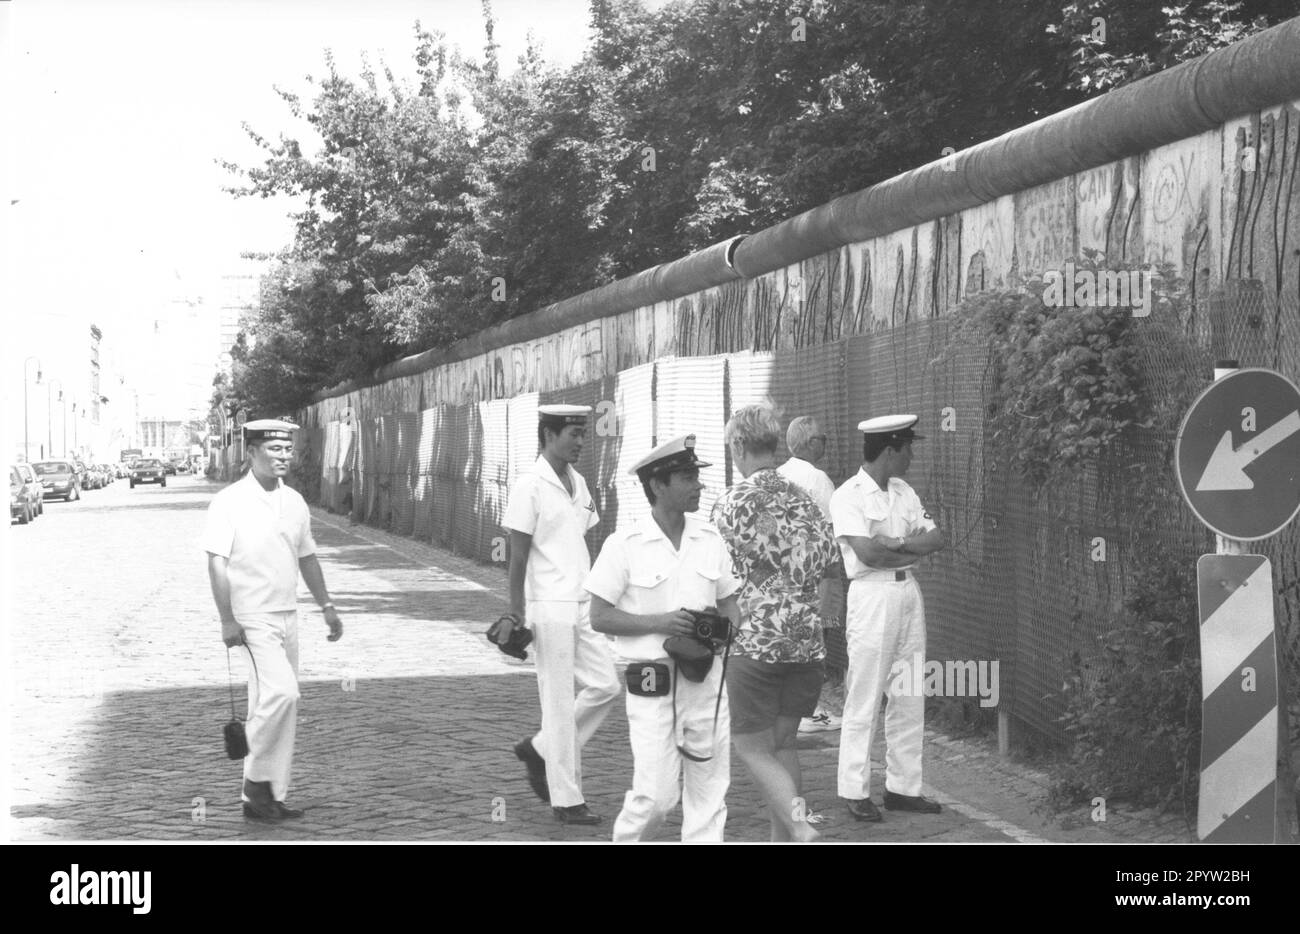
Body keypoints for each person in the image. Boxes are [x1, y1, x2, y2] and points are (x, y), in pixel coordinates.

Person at [585, 435, 742, 842]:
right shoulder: (624, 545)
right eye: (687, 476)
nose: (698, 485)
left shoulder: (709, 538)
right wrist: (662, 623)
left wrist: (724, 632)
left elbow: (731, 603)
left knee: (709, 794)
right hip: (653, 682)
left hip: (706, 680)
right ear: (657, 485)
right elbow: (599, 616)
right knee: (655, 796)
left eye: (696, 476)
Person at [201, 418, 343, 822]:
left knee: (278, 704)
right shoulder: (228, 501)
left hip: (287, 614)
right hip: (250, 619)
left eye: (287, 450)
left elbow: (307, 557)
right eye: (273, 449)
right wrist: (226, 619)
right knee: (283, 694)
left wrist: (327, 605)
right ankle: (253, 779)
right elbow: (216, 560)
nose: (283, 456)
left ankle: (266, 796)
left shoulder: (295, 501)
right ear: (251, 452)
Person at [712, 406, 839, 842]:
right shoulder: (807, 498)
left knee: (751, 747)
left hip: (754, 643)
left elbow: (714, 575)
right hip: (806, 642)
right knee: (784, 747)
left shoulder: (730, 503)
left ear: (739, 446)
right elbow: (830, 567)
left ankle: (801, 828)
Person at [501, 404, 620, 825]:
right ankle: (567, 799)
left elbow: (578, 537)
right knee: (557, 703)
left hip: (582, 601)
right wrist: (517, 612)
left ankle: (541, 748)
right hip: (547, 607)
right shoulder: (529, 486)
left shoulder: (579, 483)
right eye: (574, 433)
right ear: (549, 434)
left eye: (583, 433)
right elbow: (517, 556)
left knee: (607, 684)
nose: (582, 441)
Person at [830, 414, 947, 822]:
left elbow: (936, 539)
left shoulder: (904, 491)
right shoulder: (848, 496)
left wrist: (897, 542)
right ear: (889, 450)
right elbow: (868, 555)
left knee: (910, 692)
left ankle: (903, 787)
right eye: (908, 448)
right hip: (872, 596)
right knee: (865, 694)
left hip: (906, 593)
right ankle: (854, 788)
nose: (912, 455)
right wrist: (908, 549)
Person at [777, 415, 846, 734]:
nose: (826, 444)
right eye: (822, 439)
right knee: (819, 638)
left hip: (784, 576)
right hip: (817, 573)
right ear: (807, 444)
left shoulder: (777, 476)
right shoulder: (817, 479)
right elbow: (833, 530)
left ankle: (789, 706)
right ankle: (807, 710)